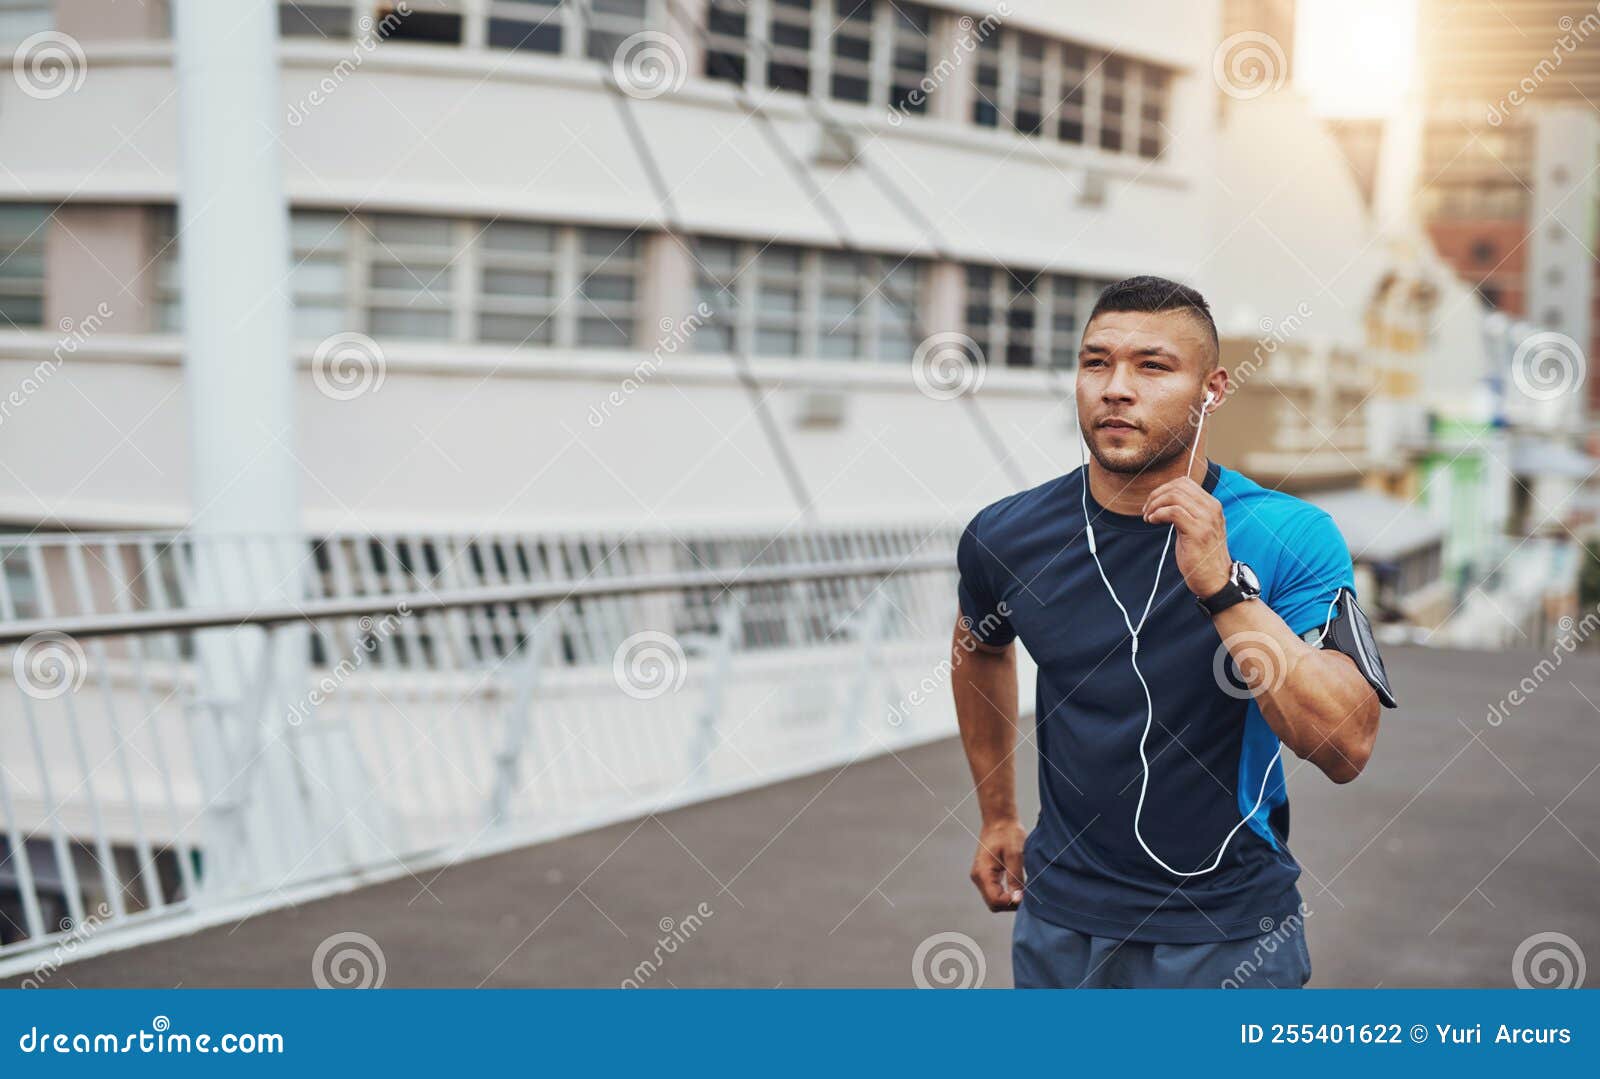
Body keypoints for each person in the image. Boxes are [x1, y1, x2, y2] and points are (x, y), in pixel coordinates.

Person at [951, 276, 1391, 989]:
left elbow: (1346, 743)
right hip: (1060, 919)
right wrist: (998, 814)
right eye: (1096, 363)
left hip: (1227, 930)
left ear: (1213, 389)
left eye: (1152, 366)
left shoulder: (1288, 533)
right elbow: (979, 646)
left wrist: (1223, 589)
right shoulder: (1008, 535)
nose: (1115, 387)